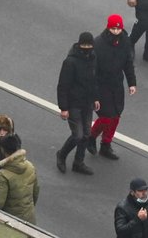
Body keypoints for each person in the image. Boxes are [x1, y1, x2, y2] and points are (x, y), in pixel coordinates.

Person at [89, 14, 137, 157]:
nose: (116, 32)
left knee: (115, 116)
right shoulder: (98, 44)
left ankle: (106, 144)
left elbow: (128, 63)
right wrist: (95, 96)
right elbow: (93, 72)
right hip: (102, 86)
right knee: (106, 117)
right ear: (108, 28)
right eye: (113, 29)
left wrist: (131, 82)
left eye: (118, 29)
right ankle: (91, 137)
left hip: (116, 85)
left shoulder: (125, 42)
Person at [55, 31, 99, 175]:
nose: (87, 47)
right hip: (73, 104)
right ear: (79, 45)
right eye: (84, 45)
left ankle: (78, 162)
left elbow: (94, 81)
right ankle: (62, 154)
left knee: (86, 134)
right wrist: (64, 108)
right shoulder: (70, 62)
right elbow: (63, 85)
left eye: (89, 45)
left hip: (87, 103)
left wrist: (96, 98)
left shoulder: (93, 58)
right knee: (78, 135)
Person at [0, 134, 40, 225]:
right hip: (29, 216)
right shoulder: (30, 166)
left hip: (11, 220)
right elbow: (36, 191)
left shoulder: (3, 174)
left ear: (4, 151)